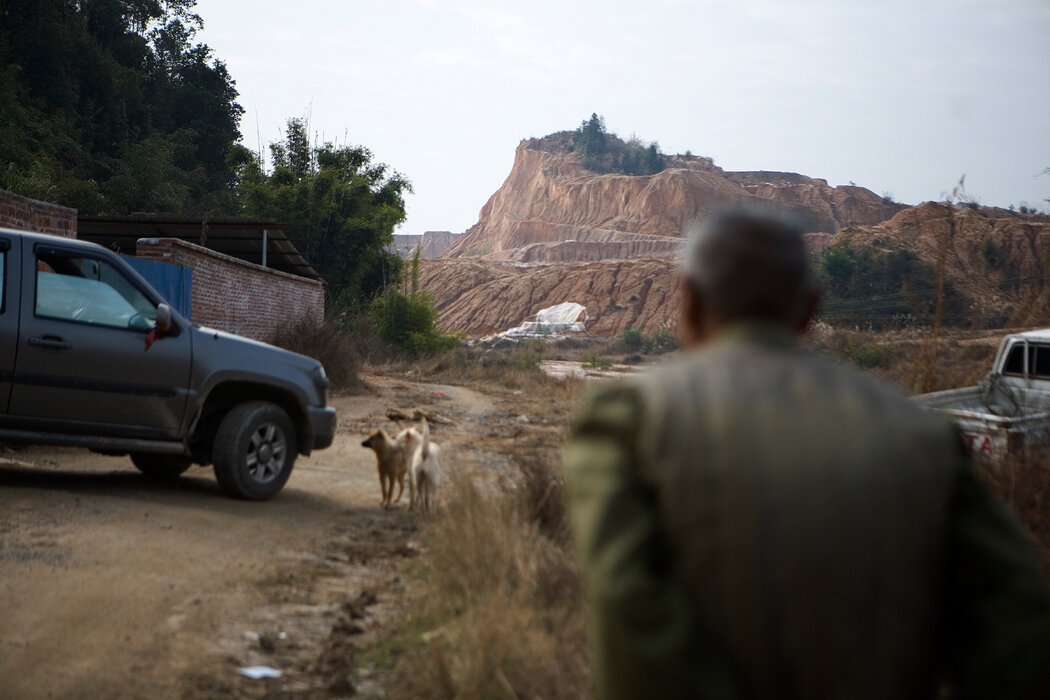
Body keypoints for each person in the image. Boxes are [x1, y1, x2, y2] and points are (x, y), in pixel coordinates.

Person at [563, 204, 1050, 700]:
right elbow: (1018, 628)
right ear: (809, 308)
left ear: (688, 301)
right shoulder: (922, 434)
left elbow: (626, 606)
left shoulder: (628, 418)